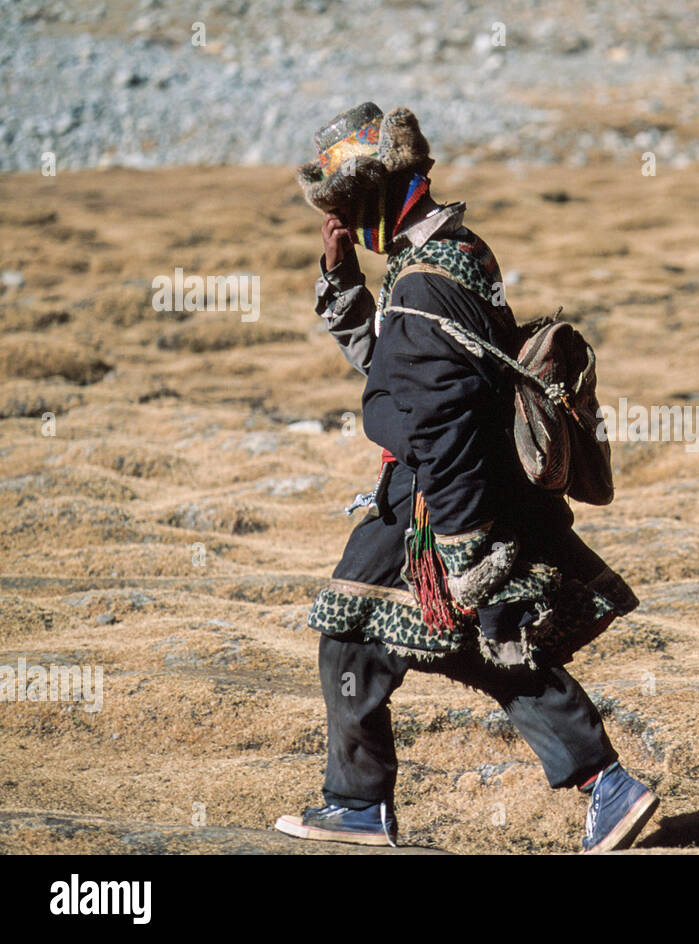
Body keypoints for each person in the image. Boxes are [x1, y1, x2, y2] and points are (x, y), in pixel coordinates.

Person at [273, 103, 657, 852]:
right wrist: (343, 281)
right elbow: (403, 367)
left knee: (357, 632)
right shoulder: (455, 252)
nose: (345, 220)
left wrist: (463, 548)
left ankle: (358, 804)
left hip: (430, 503)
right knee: (477, 644)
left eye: (351, 205)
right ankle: (604, 783)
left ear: (383, 195)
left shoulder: (420, 287)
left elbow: (438, 421)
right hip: (454, 490)